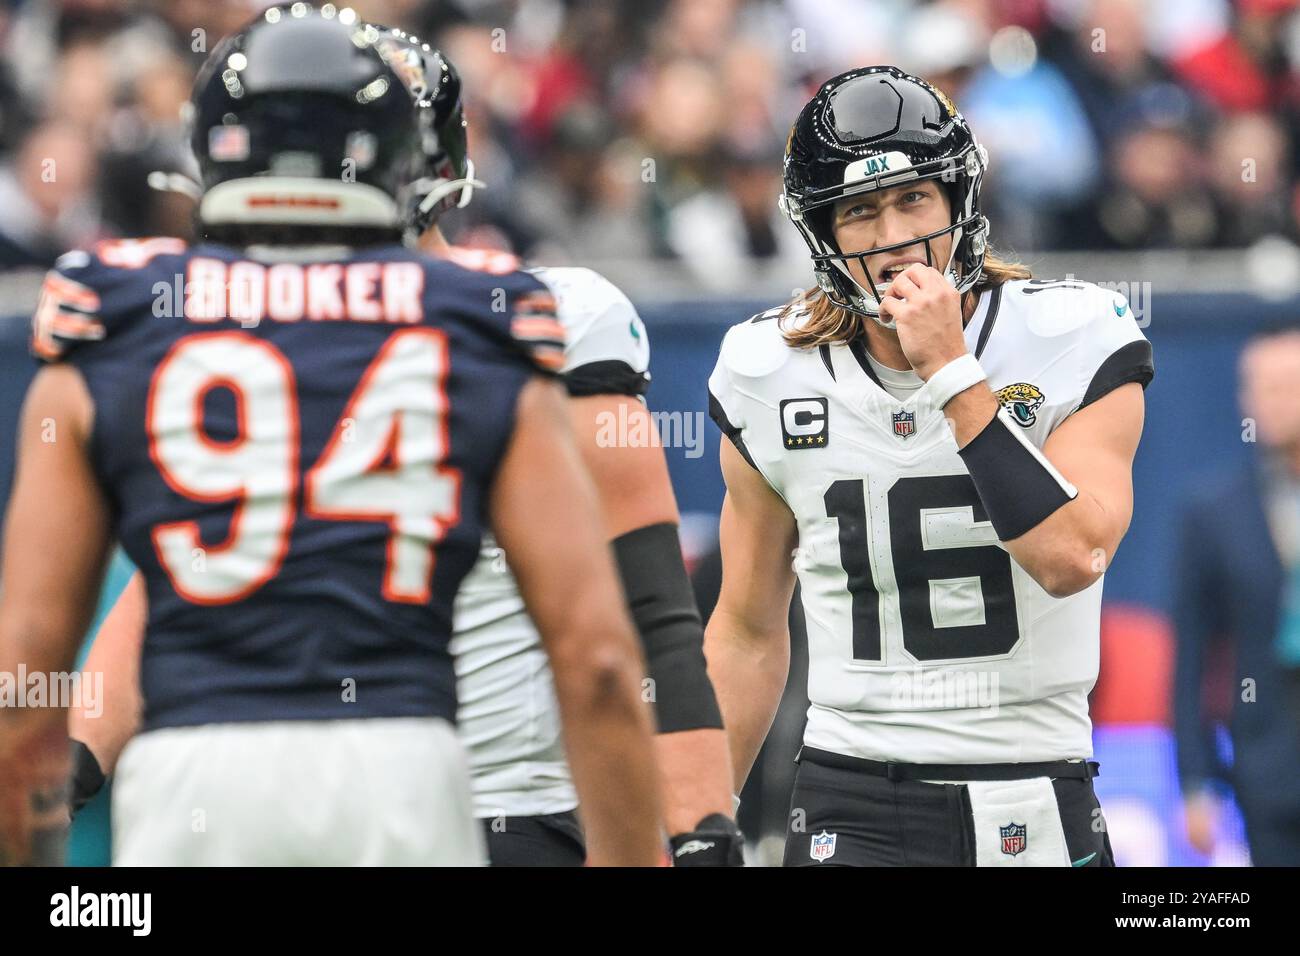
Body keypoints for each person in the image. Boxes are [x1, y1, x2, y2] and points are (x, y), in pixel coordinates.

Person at [0, 5, 661, 867]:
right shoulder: (479, 320)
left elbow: (27, 664)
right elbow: (599, 659)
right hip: (401, 773)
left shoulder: (121, 315)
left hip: (196, 775)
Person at [705, 66, 1154, 866]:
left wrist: (952, 373)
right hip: (854, 790)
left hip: (1035, 778)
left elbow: (1071, 556)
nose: (892, 238)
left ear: (958, 202)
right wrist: (697, 820)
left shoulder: (1072, 335)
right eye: (861, 211)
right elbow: (745, 632)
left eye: (913, 199)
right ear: (823, 233)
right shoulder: (767, 371)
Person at [1173, 326, 1300, 866]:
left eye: (1281, 386)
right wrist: (1196, 779)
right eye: (1253, 386)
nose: (1262, 401)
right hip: (1267, 772)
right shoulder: (1215, 511)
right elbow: (1193, 656)